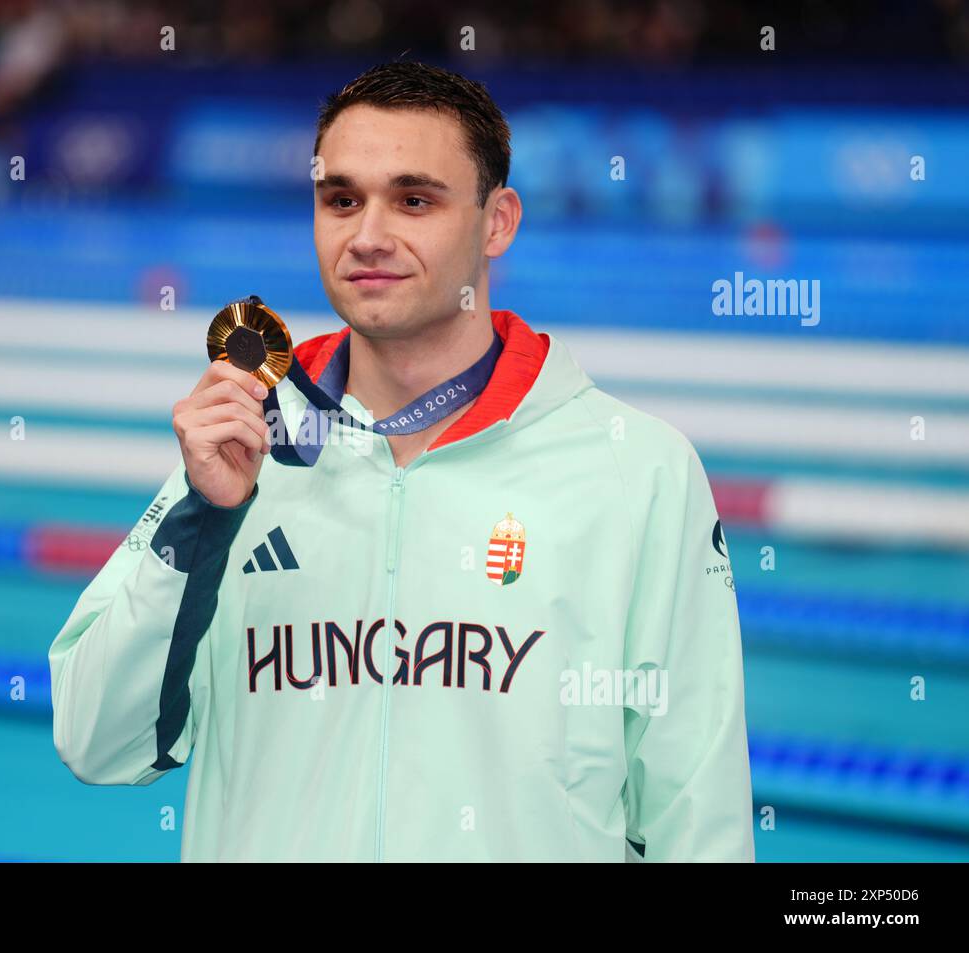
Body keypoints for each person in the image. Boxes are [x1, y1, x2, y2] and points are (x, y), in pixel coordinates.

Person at [48, 60, 755, 862]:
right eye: (341, 199)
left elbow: (696, 816)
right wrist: (204, 521)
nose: (369, 235)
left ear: (498, 221)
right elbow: (98, 740)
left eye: (415, 199)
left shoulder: (638, 470)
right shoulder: (242, 453)